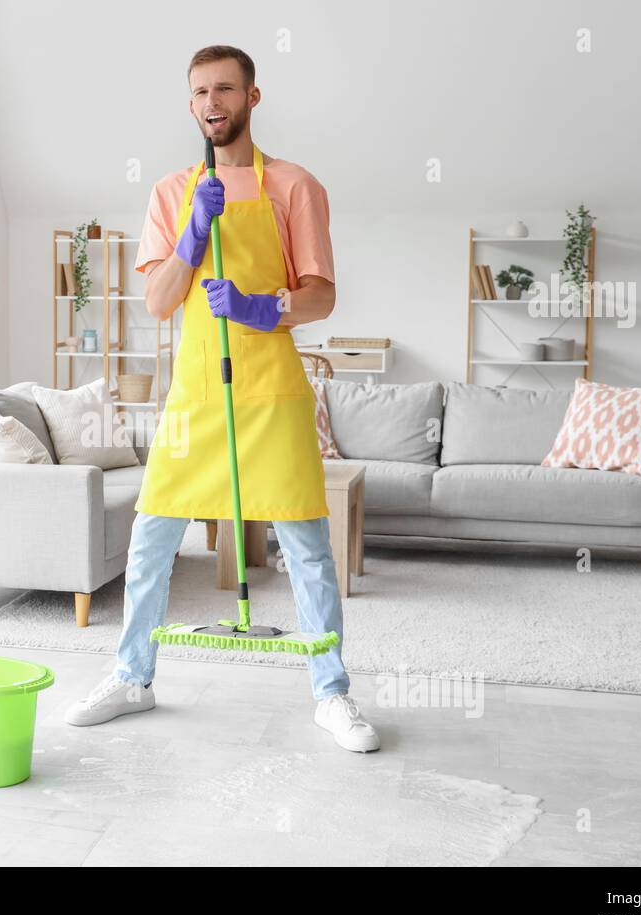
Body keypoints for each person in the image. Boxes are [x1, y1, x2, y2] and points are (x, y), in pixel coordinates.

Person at [64, 45, 378, 753]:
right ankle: (132, 678)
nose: (214, 103)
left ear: (252, 98)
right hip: (196, 397)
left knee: (306, 546)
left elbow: (323, 295)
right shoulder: (173, 191)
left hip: (272, 392)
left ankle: (332, 694)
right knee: (151, 543)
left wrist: (265, 307)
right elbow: (158, 299)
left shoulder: (295, 186)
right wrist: (193, 235)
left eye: (226, 90)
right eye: (201, 92)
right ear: (191, 103)